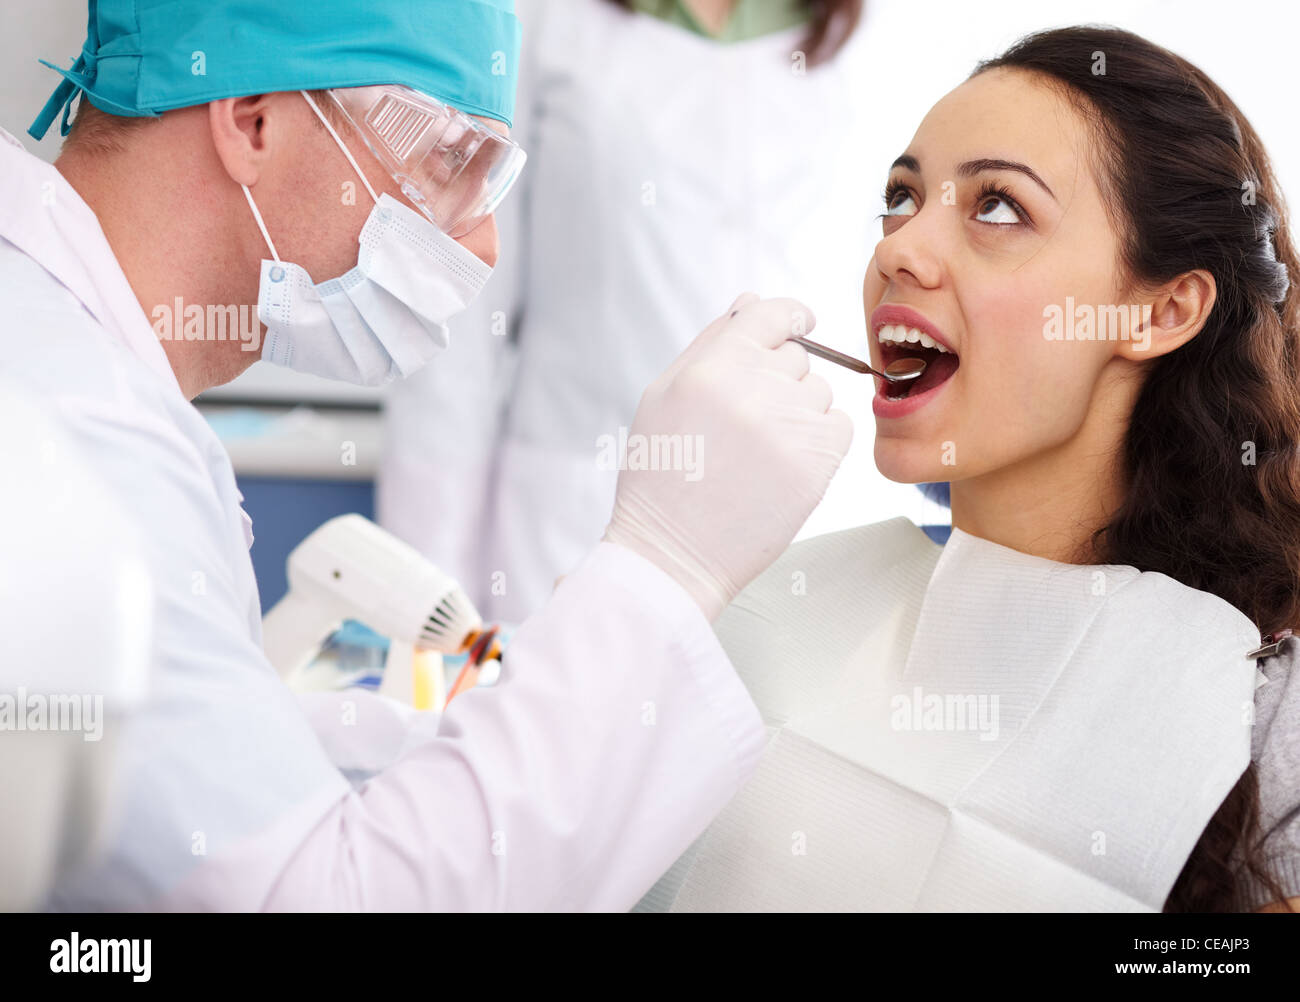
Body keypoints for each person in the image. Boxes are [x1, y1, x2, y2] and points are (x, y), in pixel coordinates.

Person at [2, 0, 851, 909]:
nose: (481, 243)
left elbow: (202, 785)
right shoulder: (84, 446)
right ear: (251, 121)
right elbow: (313, 897)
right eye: (449, 158)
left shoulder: (66, 356)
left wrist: (468, 734)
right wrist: (666, 569)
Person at [639, 26, 1300, 913]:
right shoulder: (782, 608)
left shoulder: (1262, 711)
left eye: (997, 207)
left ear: (1161, 310)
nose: (898, 249)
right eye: (901, 197)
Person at [378, 0, 928, 623]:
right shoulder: (544, 24)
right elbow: (461, 317)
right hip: (577, 521)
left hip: (815, 525)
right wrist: (421, 598)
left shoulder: (869, 38)